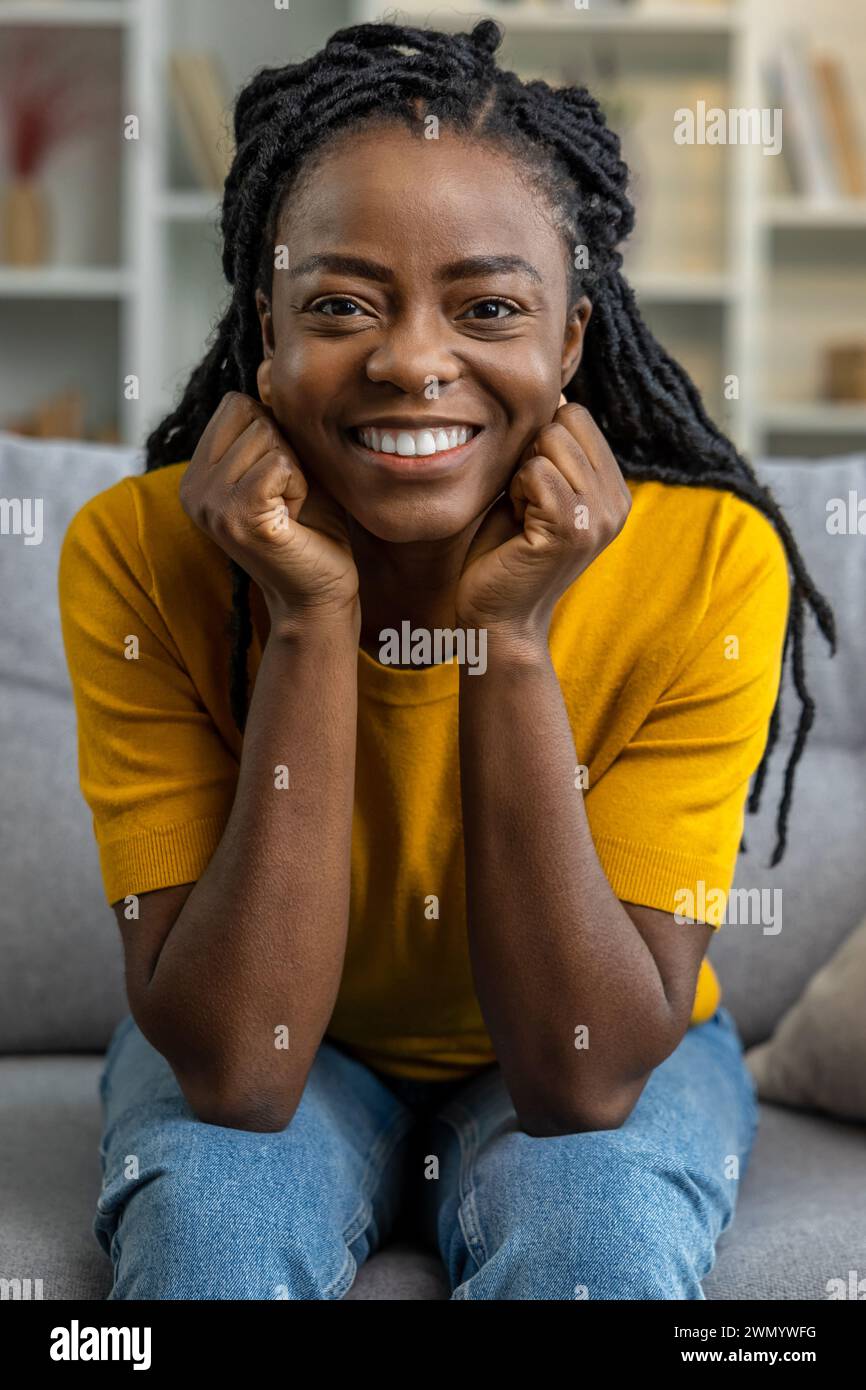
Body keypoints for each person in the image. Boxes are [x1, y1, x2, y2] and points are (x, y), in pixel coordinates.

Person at [58, 18, 834, 1300]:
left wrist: (509, 636)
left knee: (599, 1252)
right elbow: (245, 1072)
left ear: (570, 341)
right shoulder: (138, 556)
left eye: (486, 306)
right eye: (342, 305)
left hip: (583, 1049)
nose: (413, 361)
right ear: (266, 325)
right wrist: (308, 616)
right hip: (288, 1045)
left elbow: (583, 1077)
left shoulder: (705, 564)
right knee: (211, 1240)